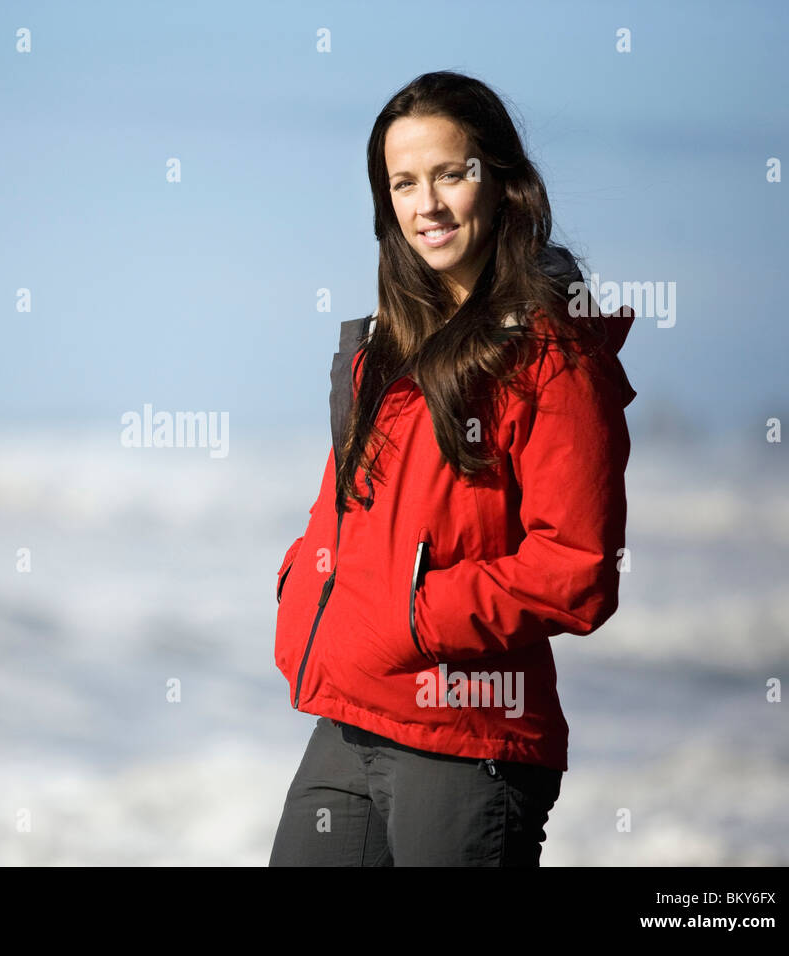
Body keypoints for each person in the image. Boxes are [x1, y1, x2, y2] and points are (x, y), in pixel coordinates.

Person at [268, 71, 637, 867]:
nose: (426, 204)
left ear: (502, 183)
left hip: (468, 735)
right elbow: (343, 516)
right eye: (404, 182)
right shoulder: (381, 350)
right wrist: (306, 585)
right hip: (346, 722)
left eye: (450, 174)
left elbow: (574, 569)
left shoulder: (552, 353)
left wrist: (407, 618)